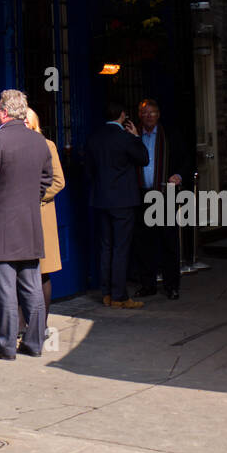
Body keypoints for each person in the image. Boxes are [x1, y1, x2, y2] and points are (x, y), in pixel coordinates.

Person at [0, 89, 53, 359]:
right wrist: (31, 200)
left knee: (5, 288)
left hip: (1, 225)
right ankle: (34, 343)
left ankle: (6, 345)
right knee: (32, 286)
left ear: (4, 112)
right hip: (29, 224)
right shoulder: (39, 141)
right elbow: (47, 179)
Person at [84, 98, 149, 310]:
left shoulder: (94, 138)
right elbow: (144, 159)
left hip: (101, 200)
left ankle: (107, 293)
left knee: (106, 247)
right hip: (123, 200)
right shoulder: (125, 138)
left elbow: (89, 170)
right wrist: (137, 138)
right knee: (121, 248)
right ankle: (120, 296)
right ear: (122, 116)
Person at [134, 98, 184, 300]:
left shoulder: (170, 134)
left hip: (165, 194)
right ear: (139, 115)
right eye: (144, 113)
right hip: (142, 194)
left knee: (169, 241)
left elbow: (184, 159)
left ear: (159, 114)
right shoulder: (134, 136)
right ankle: (148, 284)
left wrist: (178, 175)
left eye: (152, 112)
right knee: (145, 242)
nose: (148, 116)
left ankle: (172, 285)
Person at [24, 107, 65, 331]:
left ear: (33, 123)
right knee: (20, 272)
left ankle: (41, 324)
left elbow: (58, 181)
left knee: (42, 270)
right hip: (19, 215)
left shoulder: (47, 145)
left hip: (41, 213)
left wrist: (37, 196)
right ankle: (22, 325)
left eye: (25, 121)